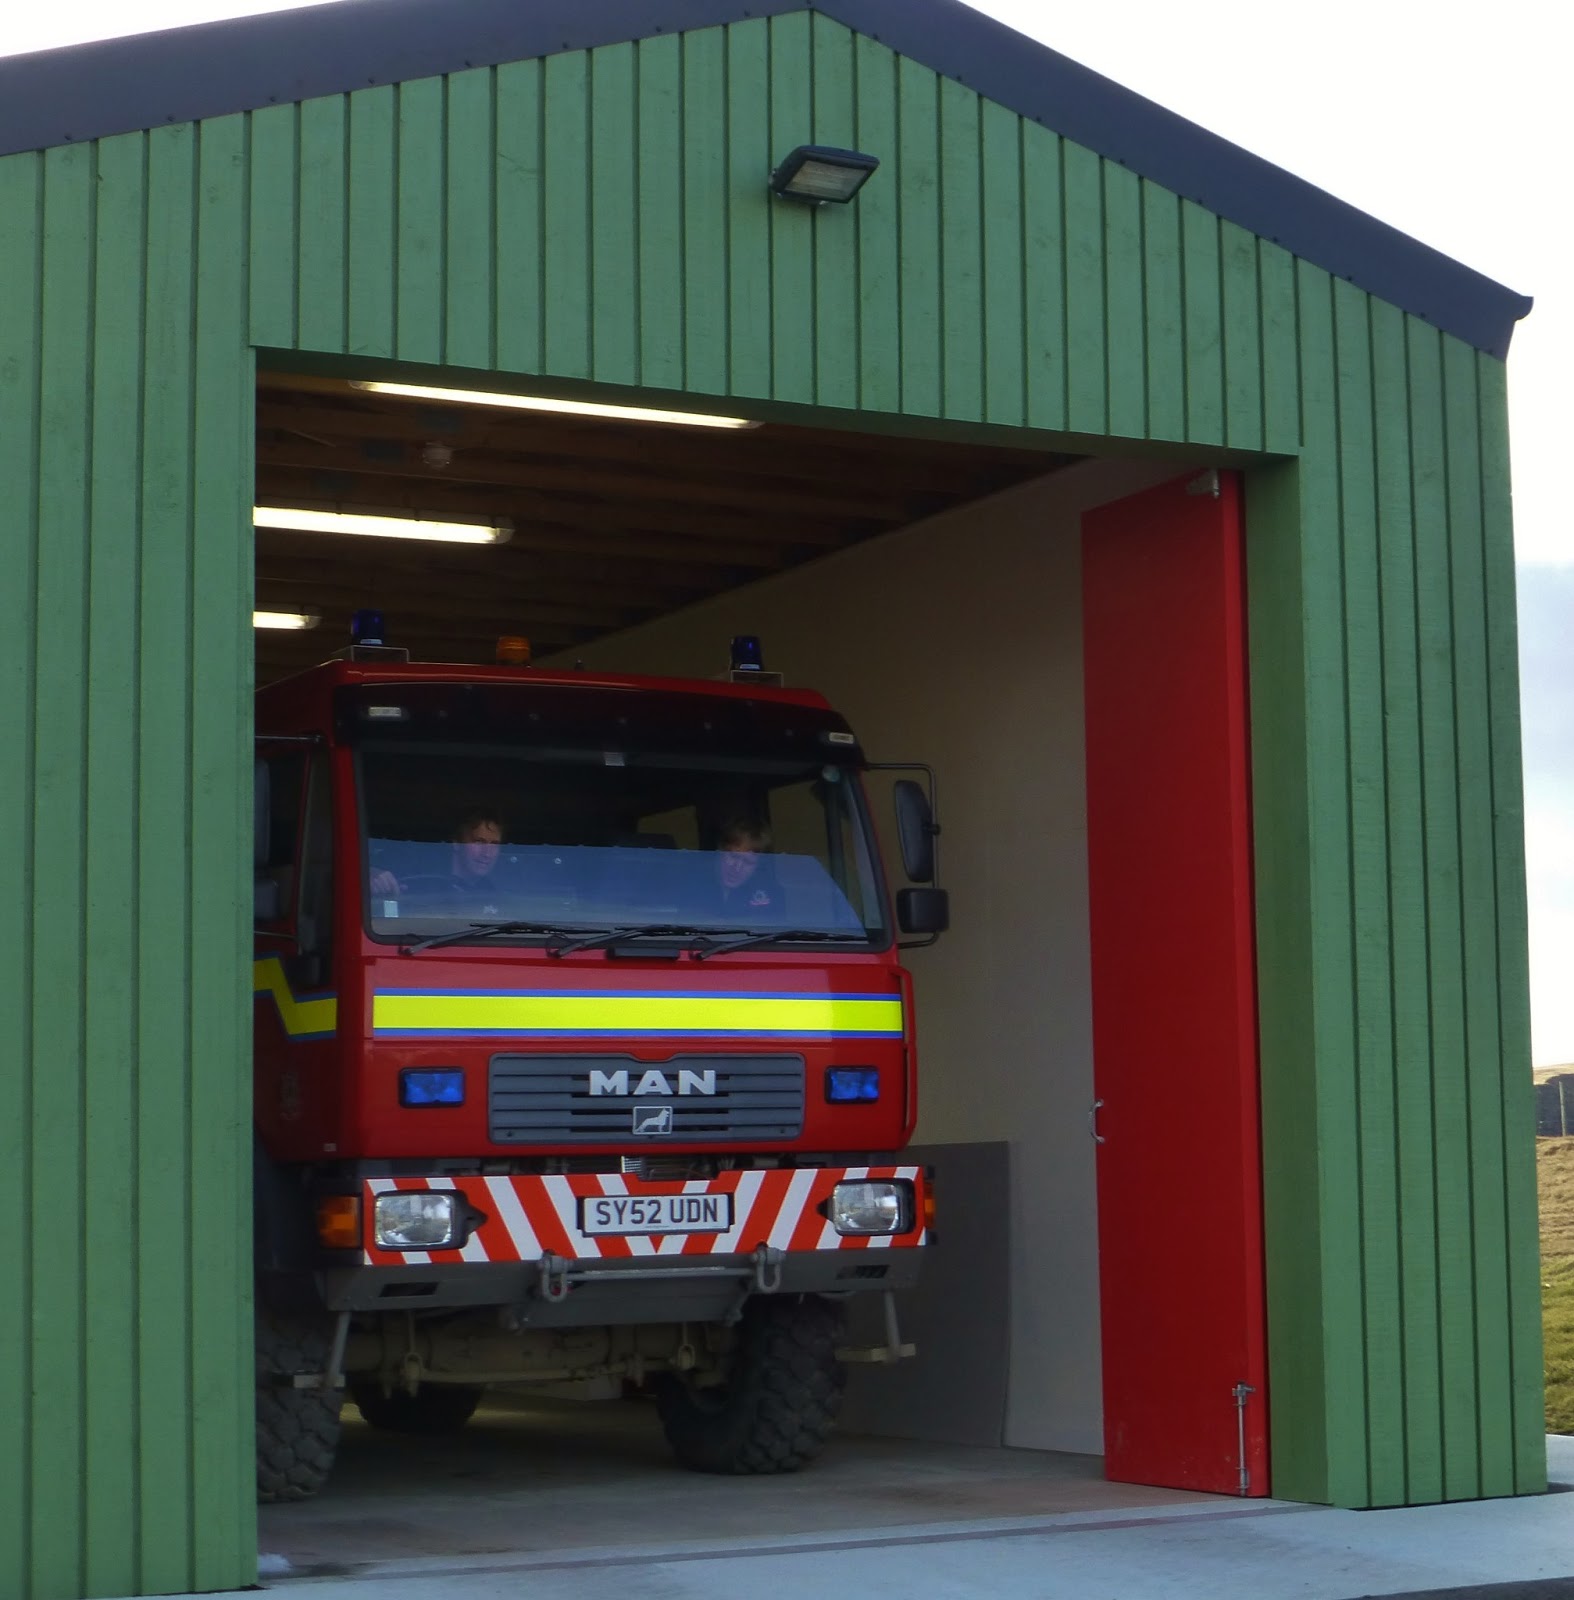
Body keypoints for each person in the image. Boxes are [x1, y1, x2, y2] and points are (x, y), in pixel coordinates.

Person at [370, 812, 506, 905]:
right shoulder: (420, 875)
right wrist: (373, 875)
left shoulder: (490, 893)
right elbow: (362, 870)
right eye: (479, 842)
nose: (487, 853)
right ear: (456, 844)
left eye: (494, 844)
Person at [716, 820, 777, 916]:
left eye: (748, 862)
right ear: (720, 851)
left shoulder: (766, 893)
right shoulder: (696, 884)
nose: (737, 868)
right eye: (733, 856)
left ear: (757, 867)